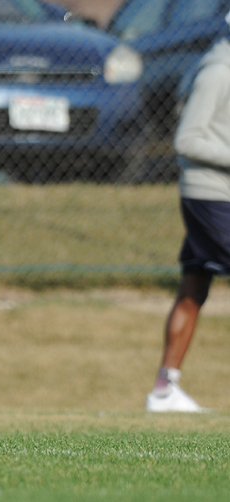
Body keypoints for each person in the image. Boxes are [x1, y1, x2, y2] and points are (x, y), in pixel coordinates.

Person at [145, 12, 230, 413]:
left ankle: (164, 389)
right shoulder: (219, 70)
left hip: (218, 196)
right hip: (212, 197)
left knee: (194, 286)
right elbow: (187, 140)